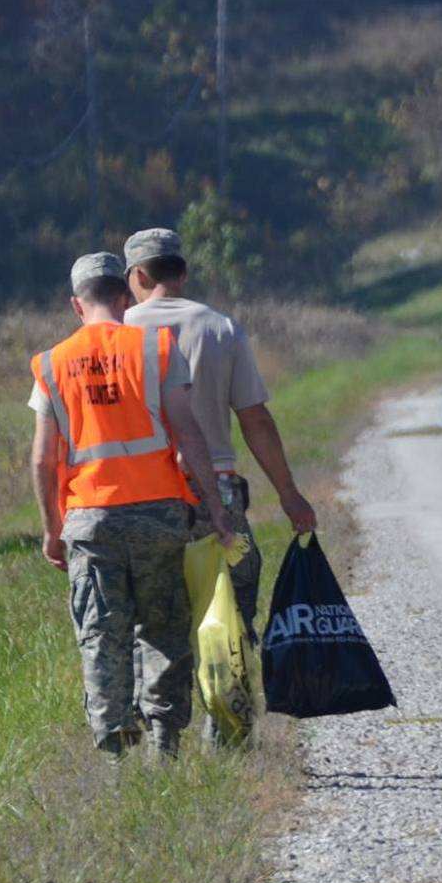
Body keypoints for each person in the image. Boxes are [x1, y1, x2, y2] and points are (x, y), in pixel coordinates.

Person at [30, 251, 236, 757]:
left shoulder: (50, 364)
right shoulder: (156, 349)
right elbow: (189, 435)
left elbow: (42, 460)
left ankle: (114, 750)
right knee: (163, 627)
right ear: (125, 297)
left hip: (88, 521)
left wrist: (52, 527)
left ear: (76, 305)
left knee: (102, 632)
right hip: (159, 514)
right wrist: (216, 507)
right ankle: (164, 743)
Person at [124, 226, 318, 673]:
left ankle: (161, 726)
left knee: (153, 617)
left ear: (136, 276)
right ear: (183, 272)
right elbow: (256, 420)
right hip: (218, 493)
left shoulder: (118, 334)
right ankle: (227, 721)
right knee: (231, 605)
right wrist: (290, 495)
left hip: (142, 495)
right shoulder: (220, 328)